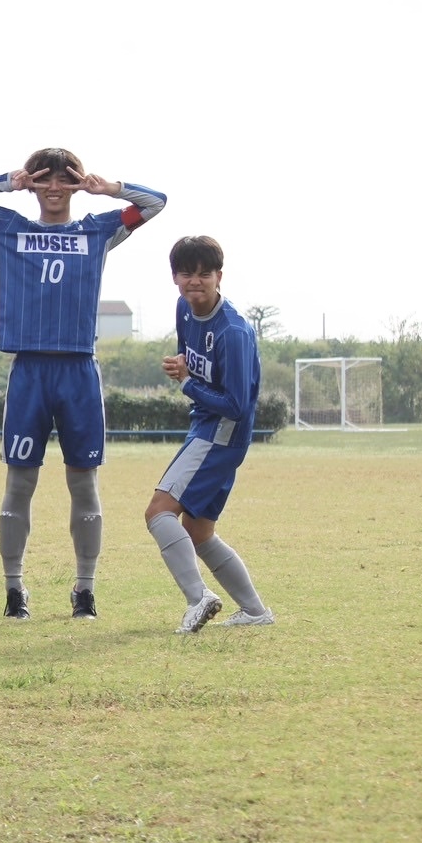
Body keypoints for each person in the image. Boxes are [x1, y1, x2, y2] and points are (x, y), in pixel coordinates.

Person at [0, 149, 167, 621]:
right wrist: (10, 181)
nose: (54, 189)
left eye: (64, 180)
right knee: (18, 483)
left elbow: (154, 204)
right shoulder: (8, 227)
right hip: (29, 370)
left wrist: (108, 189)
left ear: (76, 183)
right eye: (44, 180)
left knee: (83, 484)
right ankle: (14, 589)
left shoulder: (98, 230)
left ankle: (84, 589)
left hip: (79, 371)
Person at [145, 236, 273, 633]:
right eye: (187, 273)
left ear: (220, 276)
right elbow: (191, 359)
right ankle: (254, 611)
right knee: (198, 531)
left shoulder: (233, 331)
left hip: (221, 432)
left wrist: (185, 382)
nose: (194, 281)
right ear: (175, 277)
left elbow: (237, 405)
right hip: (207, 426)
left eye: (205, 273)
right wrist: (182, 366)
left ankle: (198, 597)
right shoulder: (184, 308)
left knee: (158, 512)